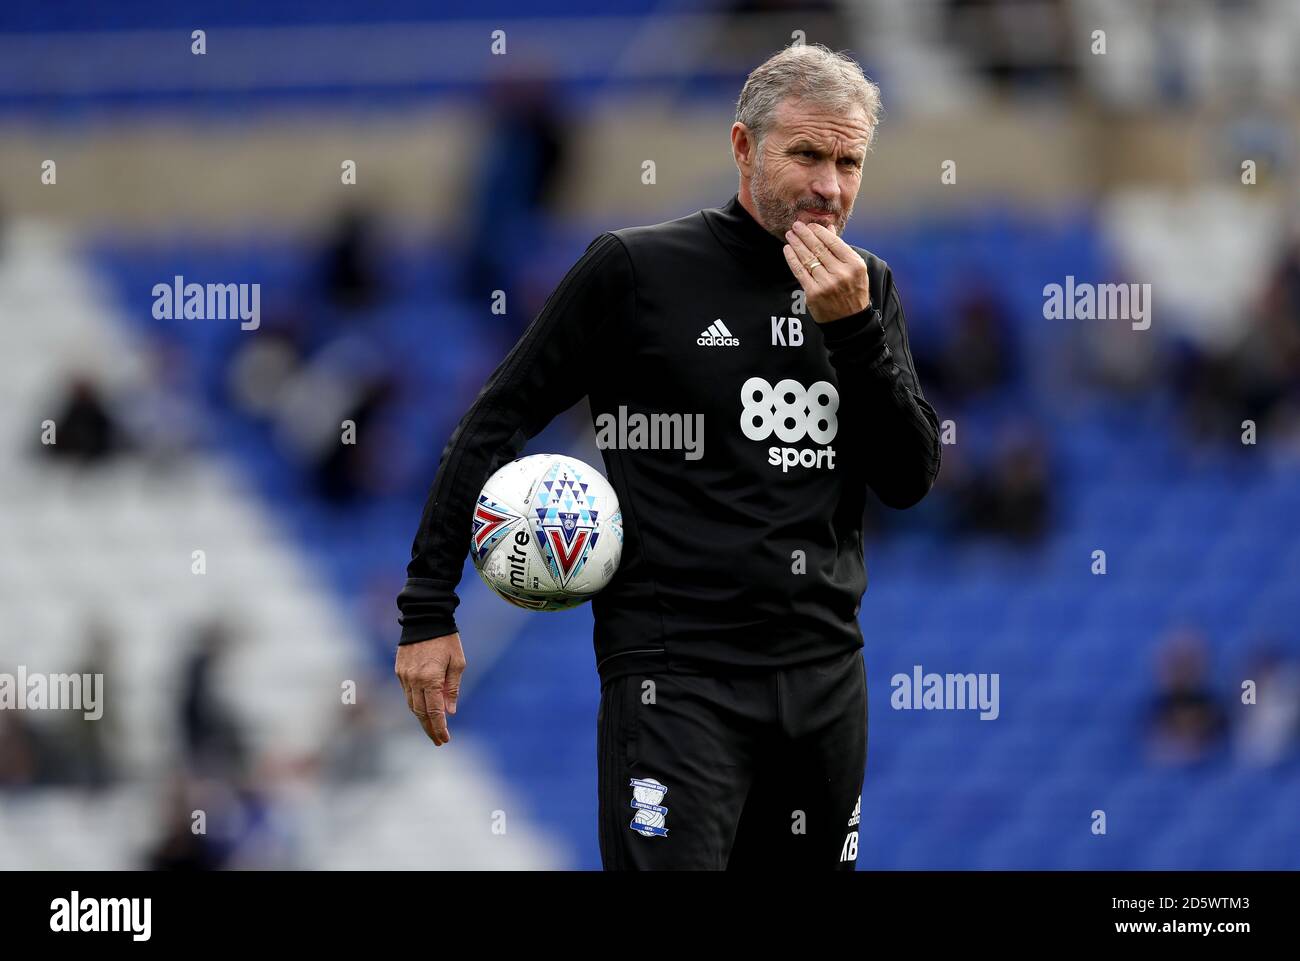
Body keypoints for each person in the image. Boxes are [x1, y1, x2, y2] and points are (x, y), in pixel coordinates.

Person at [395, 44, 941, 870]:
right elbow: (492, 422)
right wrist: (428, 610)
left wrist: (855, 333)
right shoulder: (637, 270)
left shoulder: (868, 291)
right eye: (807, 155)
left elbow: (909, 479)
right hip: (677, 679)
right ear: (743, 148)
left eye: (849, 161)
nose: (830, 186)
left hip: (826, 681)